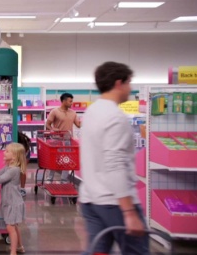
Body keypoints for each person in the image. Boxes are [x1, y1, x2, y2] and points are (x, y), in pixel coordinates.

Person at [79, 61, 148, 254]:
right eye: (129, 83)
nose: (130, 88)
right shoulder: (115, 117)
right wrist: (128, 211)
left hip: (90, 199)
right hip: (114, 202)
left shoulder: (91, 111)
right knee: (137, 251)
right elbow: (115, 165)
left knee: (97, 251)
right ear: (119, 83)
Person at [0, 143, 26, 255]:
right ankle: (20, 247)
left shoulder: (14, 170)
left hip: (13, 203)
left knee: (10, 228)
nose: (4, 152)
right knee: (14, 226)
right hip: (10, 202)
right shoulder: (8, 167)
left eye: (7, 151)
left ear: (14, 156)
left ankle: (13, 252)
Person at [45, 92, 81, 183]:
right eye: (70, 101)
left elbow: (78, 125)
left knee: (66, 160)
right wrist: (53, 129)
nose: (71, 103)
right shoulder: (55, 111)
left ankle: (64, 179)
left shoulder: (73, 113)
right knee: (54, 159)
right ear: (64, 101)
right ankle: (49, 178)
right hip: (56, 140)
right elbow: (47, 124)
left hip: (68, 140)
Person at [17, 132, 31, 197]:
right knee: (20, 171)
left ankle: (22, 189)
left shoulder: (23, 146)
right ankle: (21, 189)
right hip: (22, 153)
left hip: (24, 154)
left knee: (22, 170)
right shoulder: (22, 141)